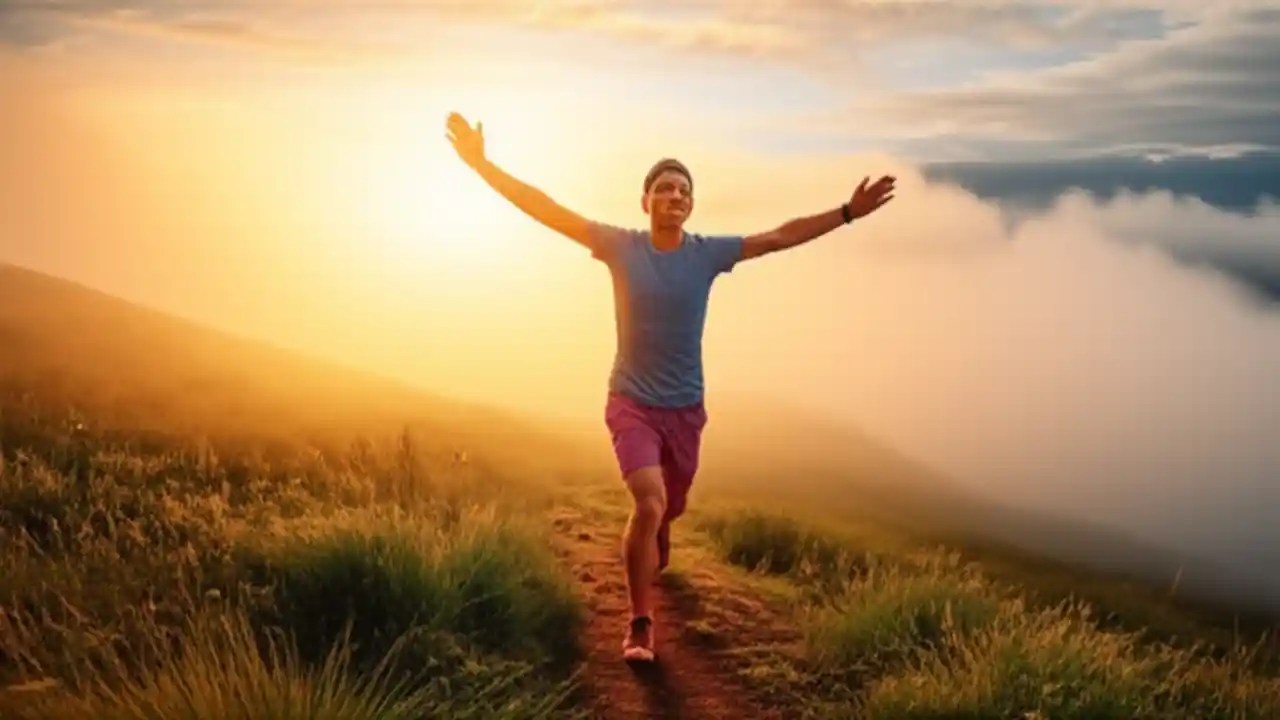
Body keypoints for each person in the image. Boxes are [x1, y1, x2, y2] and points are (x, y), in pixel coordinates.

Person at [445, 111, 895, 663]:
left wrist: (848, 212)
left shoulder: (706, 253)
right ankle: (639, 624)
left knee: (667, 508)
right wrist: (481, 165)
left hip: (685, 411)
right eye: (664, 188)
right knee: (650, 501)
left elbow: (779, 236)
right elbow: (548, 210)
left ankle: (657, 529)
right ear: (645, 201)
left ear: (690, 204)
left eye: (683, 190)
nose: (674, 195)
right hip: (630, 402)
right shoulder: (620, 246)